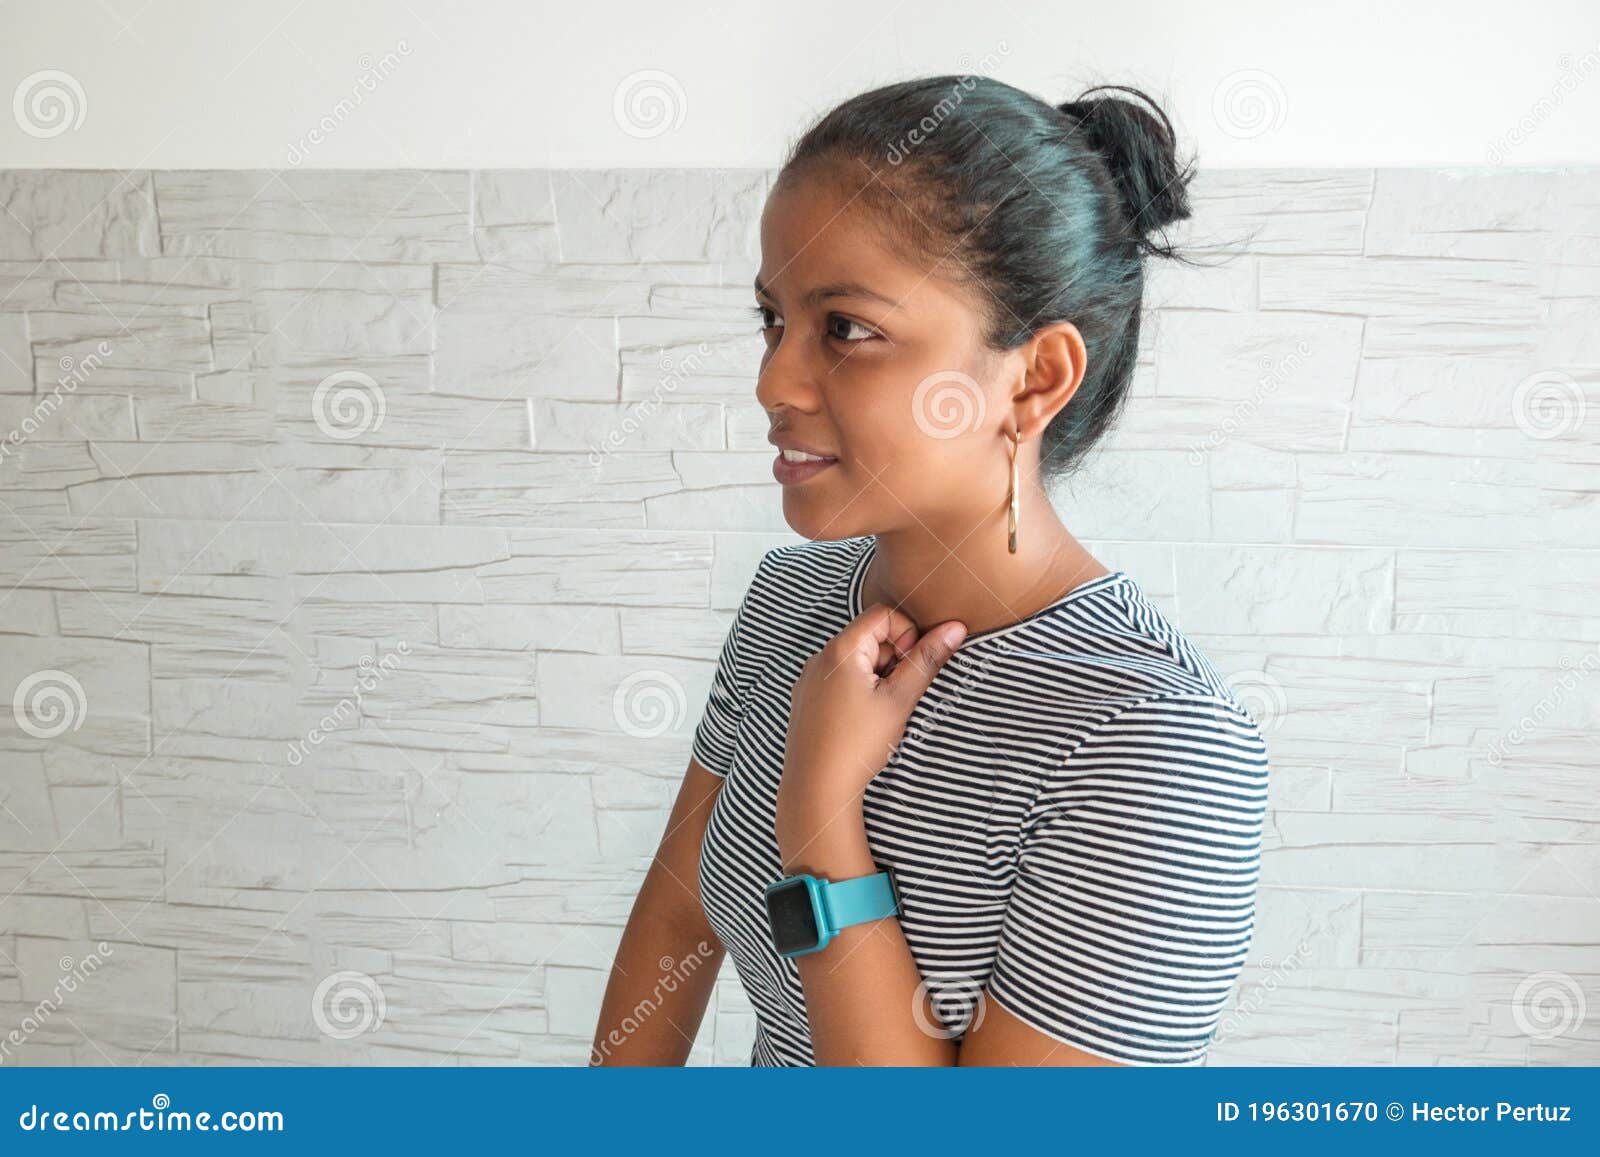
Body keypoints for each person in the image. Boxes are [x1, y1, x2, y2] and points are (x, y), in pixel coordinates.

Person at [592, 75, 1270, 1067]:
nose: (772, 381)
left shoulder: (1159, 747)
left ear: (1032, 378)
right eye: (772, 319)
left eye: (847, 329)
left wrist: (820, 818)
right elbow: (677, 913)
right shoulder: (789, 602)